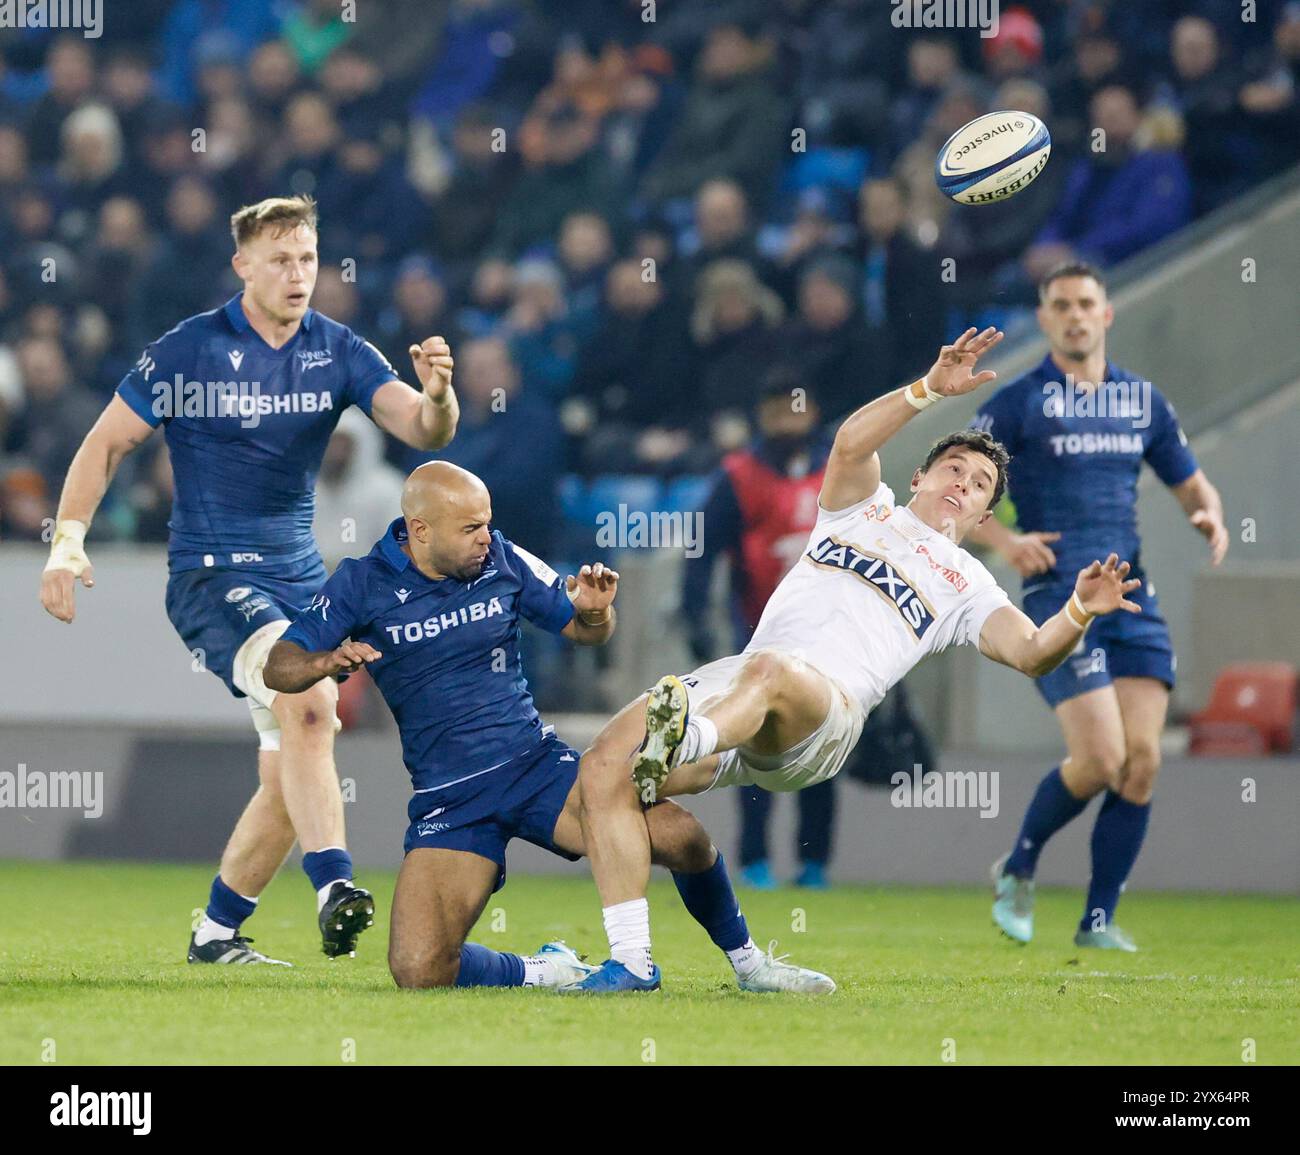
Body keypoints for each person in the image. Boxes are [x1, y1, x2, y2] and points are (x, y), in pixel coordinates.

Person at [573, 326, 1146, 992]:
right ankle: (644, 961)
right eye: (953, 467)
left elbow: (1033, 653)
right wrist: (929, 388)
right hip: (747, 677)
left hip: (826, 715)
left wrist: (1077, 610)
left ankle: (687, 737)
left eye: (981, 481)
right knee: (602, 772)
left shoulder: (968, 584)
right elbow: (850, 441)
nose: (964, 481)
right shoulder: (859, 511)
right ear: (918, 476)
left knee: (769, 674)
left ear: (990, 509)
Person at [40, 194, 462, 966]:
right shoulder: (189, 351)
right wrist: (67, 543)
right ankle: (335, 882)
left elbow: (421, 429)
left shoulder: (337, 349)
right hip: (211, 577)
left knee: (290, 766)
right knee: (309, 695)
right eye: (280, 259)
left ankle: (215, 934)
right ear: (243, 266)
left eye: (307, 258)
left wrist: (438, 393)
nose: (298, 274)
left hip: (300, 579)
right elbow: (104, 445)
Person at [263, 462, 828, 994]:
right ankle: (545, 969)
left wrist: (597, 612)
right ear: (419, 530)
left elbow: (583, 631)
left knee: (682, 838)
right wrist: (322, 663)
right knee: (418, 968)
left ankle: (749, 962)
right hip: (449, 799)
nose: (486, 536)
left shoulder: (502, 559)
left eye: (487, 523)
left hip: (534, 769)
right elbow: (279, 666)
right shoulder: (361, 584)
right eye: (470, 528)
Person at [970, 262, 1227, 951]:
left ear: (1107, 314)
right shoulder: (1019, 402)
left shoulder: (1143, 402)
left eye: (1087, 303)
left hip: (1132, 594)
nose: (1076, 315)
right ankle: (1019, 865)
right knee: (1100, 757)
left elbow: (1192, 484)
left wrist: (1211, 518)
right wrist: (1006, 539)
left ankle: (1097, 919)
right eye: (1061, 305)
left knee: (1142, 759)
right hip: (1060, 596)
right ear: (1046, 318)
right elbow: (958, 491)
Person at [680, 369, 836, 889]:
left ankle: (814, 863)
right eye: (775, 410)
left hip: (828, 633)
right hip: (759, 631)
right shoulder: (739, 476)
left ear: (812, 413)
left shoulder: (840, 471)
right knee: (754, 746)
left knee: (821, 740)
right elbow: (700, 551)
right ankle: (755, 861)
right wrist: (694, 613)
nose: (785, 419)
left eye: (794, 408)